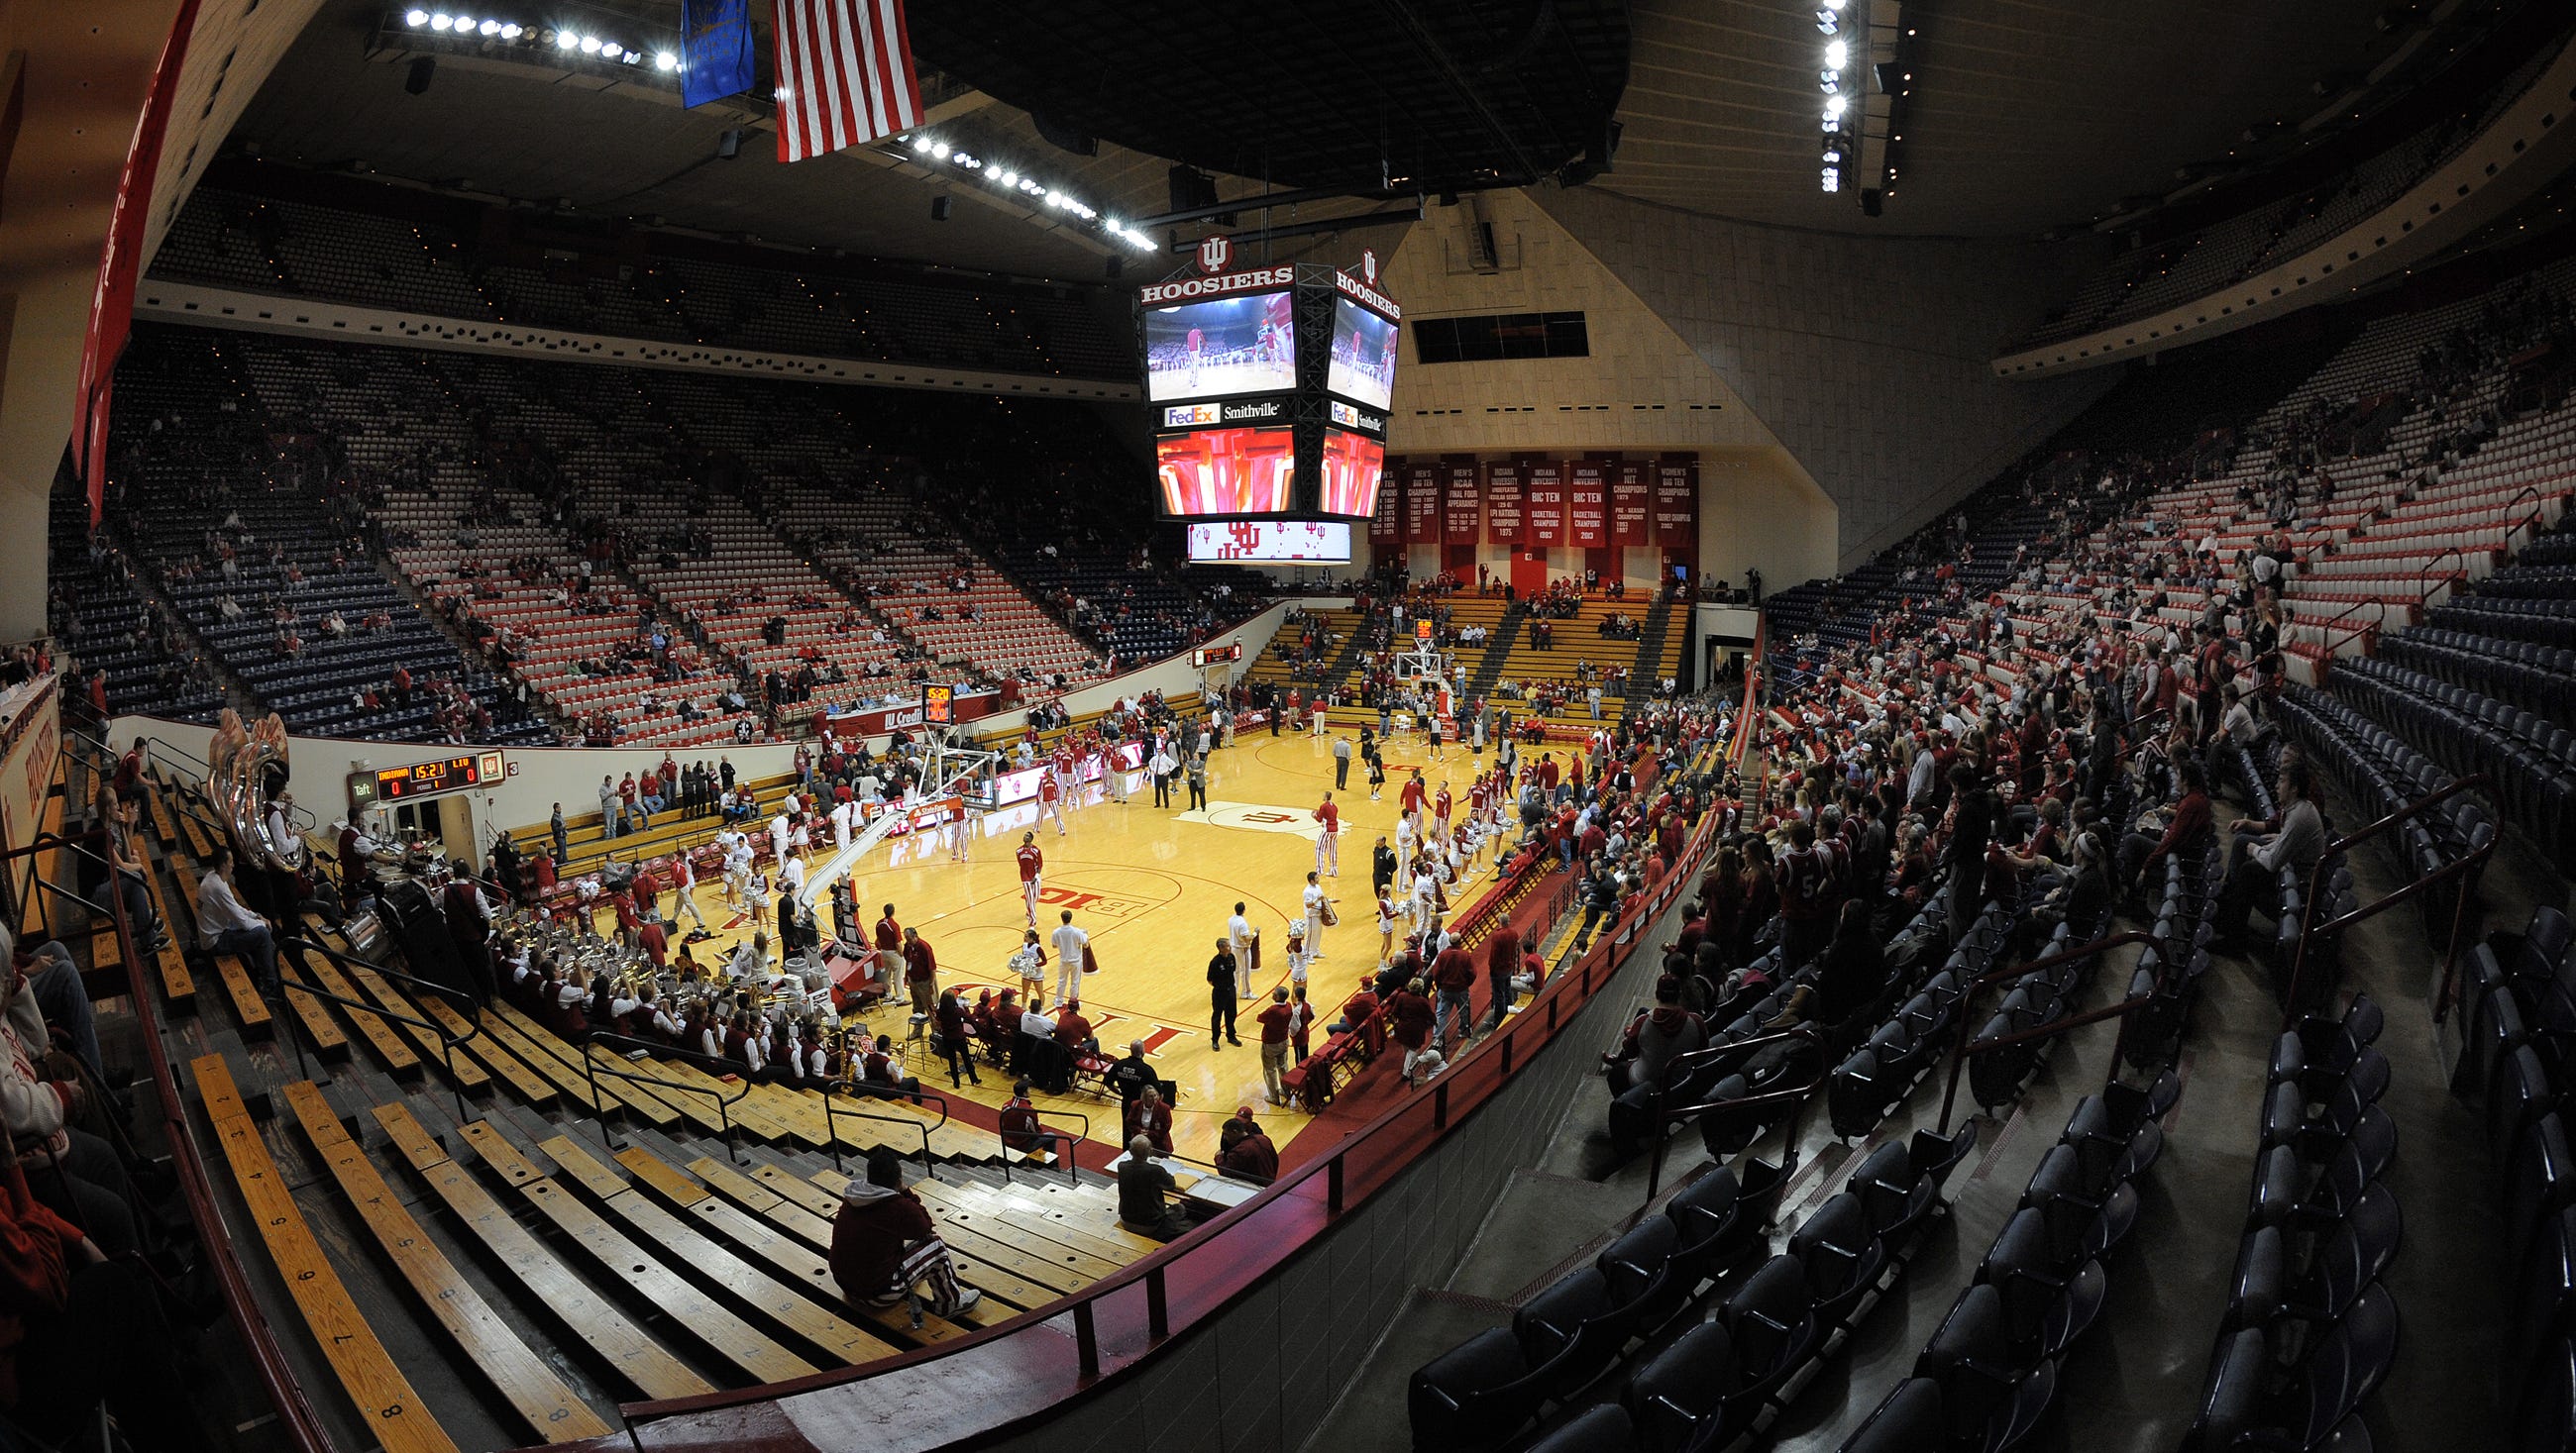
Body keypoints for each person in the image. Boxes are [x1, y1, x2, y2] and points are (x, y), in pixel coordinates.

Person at [830, 1146, 981, 1319]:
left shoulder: (853, 1196)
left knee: (900, 1239)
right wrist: (905, 1190)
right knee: (936, 1247)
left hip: (846, 1285)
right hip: (875, 1296)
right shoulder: (896, 1206)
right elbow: (926, 1226)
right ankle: (950, 1305)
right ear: (898, 1179)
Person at [2216, 764, 2327, 952]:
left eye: (2282, 782)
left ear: (2294, 788)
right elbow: (2279, 845)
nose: (2277, 786)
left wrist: (2255, 851)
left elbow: (2274, 862)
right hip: (2291, 869)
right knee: (2244, 843)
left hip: (2300, 882)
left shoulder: (2300, 815)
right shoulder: (2296, 809)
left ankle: (2234, 938)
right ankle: (2227, 908)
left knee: (2249, 869)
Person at [197, 844, 280, 993]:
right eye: (231, 862)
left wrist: (256, 915)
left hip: (219, 930)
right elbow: (241, 921)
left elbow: (235, 908)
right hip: (215, 941)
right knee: (263, 934)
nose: (233, 865)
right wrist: (262, 923)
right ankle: (271, 984)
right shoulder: (218, 887)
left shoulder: (212, 877)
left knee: (258, 928)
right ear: (223, 865)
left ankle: (267, 969)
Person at [1118, 1134, 1192, 1241]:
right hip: (1149, 1225)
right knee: (1179, 1208)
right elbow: (1170, 1184)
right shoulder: (1156, 1170)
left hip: (1126, 1219)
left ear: (1130, 1151)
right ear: (1149, 1151)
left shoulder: (1122, 1166)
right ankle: (1161, 1234)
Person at [999, 1078, 1070, 1163]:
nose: (1031, 1090)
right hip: (1021, 1145)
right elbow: (1036, 1133)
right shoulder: (1028, 1111)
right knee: (1052, 1136)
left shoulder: (1005, 1105)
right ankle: (1050, 1163)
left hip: (1006, 1140)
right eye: (1029, 1089)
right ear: (1025, 1093)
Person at [1217, 1106, 1279, 1184]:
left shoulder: (1239, 1151)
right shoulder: (1264, 1139)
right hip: (1269, 1181)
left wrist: (1218, 1158)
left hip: (1253, 1186)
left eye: (1227, 1135)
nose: (1225, 1137)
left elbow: (1227, 1173)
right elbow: (1275, 1160)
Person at [1256, 986, 1296, 1106]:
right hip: (1283, 1040)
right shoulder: (1289, 1006)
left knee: (1270, 1070)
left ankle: (1274, 1097)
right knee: (1283, 1066)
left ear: (1278, 997)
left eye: (1274, 994)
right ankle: (1286, 1091)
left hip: (1271, 1043)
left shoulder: (1273, 1010)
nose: (1272, 995)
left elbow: (1260, 1018)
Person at [933, 988, 981, 1088]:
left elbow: (937, 1023)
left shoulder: (939, 1012)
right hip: (959, 1037)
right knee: (966, 1058)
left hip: (947, 1037)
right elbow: (968, 1017)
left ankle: (956, 1082)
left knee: (952, 1060)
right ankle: (974, 1079)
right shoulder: (958, 1011)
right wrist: (966, 1008)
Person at [1207, 938, 1241, 1047]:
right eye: (1227, 946)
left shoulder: (1231, 957)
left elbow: (1233, 970)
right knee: (1217, 1016)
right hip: (1219, 993)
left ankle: (1231, 1036)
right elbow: (1210, 979)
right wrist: (1220, 986)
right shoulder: (1215, 962)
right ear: (1221, 948)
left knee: (1231, 1014)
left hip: (1231, 990)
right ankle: (1215, 1039)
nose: (1230, 947)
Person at [901, 927, 938, 1016]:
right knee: (917, 1009)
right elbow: (908, 962)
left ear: (915, 936)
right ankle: (918, 1029)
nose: (908, 941)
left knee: (931, 1009)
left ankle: (935, 1029)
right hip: (913, 982)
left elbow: (932, 968)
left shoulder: (924, 947)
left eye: (909, 939)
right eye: (906, 939)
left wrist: (931, 985)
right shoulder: (907, 946)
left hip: (925, 982)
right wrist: (907, 978)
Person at [1016, 832, 1043, 928]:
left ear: (1031, 839)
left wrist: (1036, 876)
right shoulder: (1018, 851)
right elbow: (1020, 863)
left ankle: (1029, 910)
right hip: (1025, 877)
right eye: (1024, 835)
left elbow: (1040, 864)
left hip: (1035, 876)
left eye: (1027, 836)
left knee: (1036, 897)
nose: (1025, 837)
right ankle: (1032, 922)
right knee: (1031, 899)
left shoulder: (1036, 850)